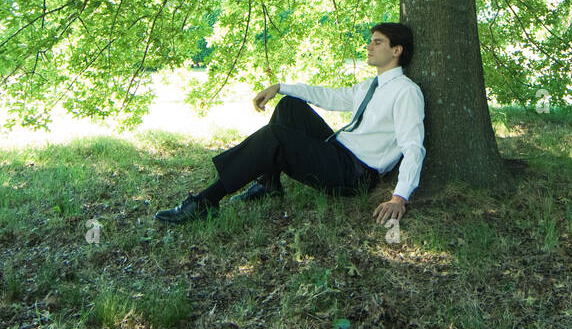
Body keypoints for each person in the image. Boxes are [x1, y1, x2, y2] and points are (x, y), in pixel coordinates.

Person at [154, 22, 425, 227]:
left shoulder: (406, 92)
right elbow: (331, 96)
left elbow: (413, 147)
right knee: (290, 106)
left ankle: (206, 201)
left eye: (378, 42)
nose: (369, 46)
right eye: (371, 41)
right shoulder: (371, 84)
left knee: (276, 136)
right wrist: (281, 87)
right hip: (339, 152)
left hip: (354, 173)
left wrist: (399, 197)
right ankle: (268, 183)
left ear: (396, 50)